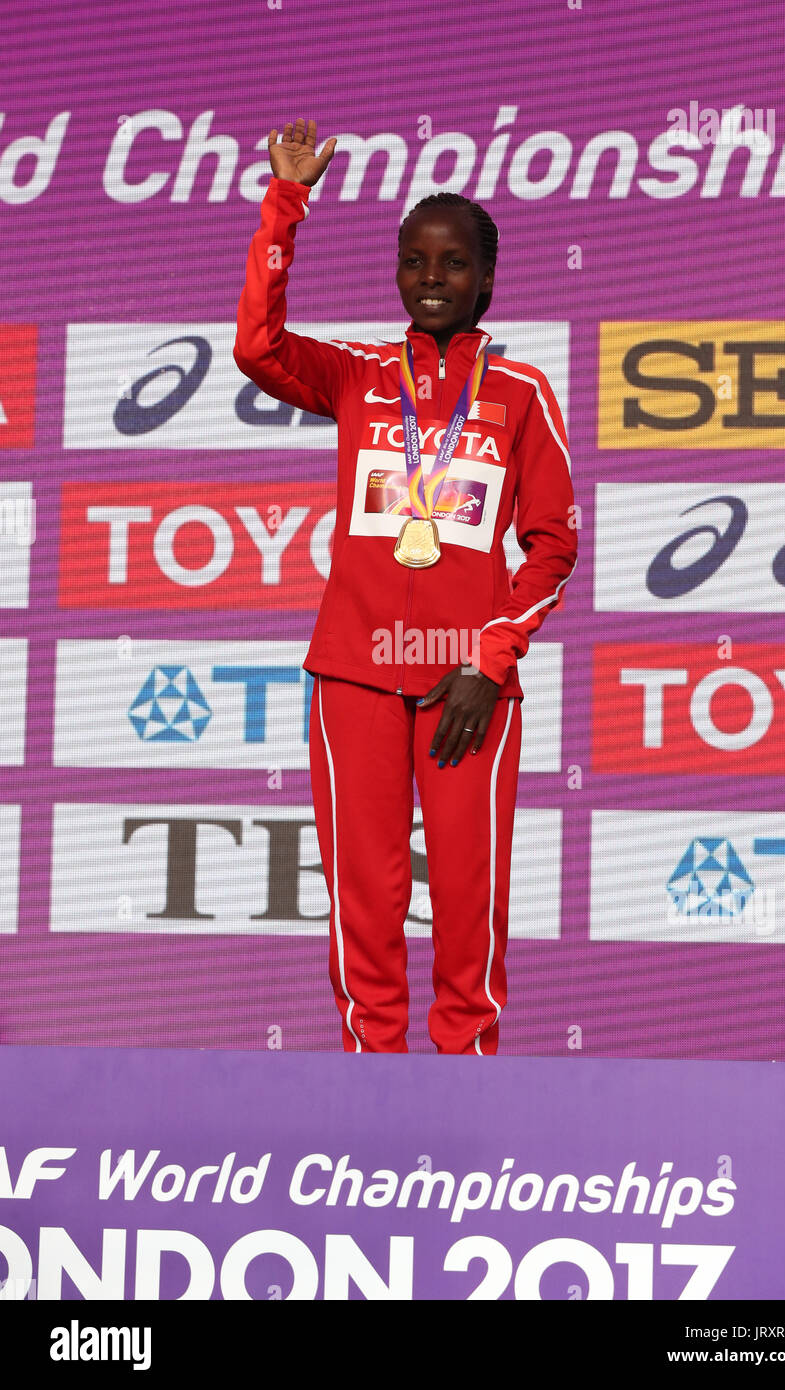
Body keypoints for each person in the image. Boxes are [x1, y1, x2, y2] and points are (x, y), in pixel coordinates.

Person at [234, 117, 577, 1055]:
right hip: (354, 678)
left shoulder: (521, 394)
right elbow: (257, 347)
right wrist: (286, 201)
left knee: (469, 899)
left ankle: (466, 1078)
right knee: (366, 898)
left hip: (468, 685)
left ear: (487, 278)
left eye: (454, 263)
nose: (433, 279)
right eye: (415, 261)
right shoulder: (357, 376)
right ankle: (370, 1084)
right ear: (396, 272)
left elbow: (551, 546)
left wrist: (490, 655)